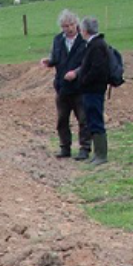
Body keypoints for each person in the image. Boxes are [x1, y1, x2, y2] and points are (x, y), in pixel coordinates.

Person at [41, 10, 91, 160]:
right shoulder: (58, 40)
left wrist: (76, 73)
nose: (68, 28)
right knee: (62, 120)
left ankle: (85, 148)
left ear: (76, 24)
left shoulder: (84, 41)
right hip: (62, 87)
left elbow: (88, 62)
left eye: (71, 25)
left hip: (80, 87)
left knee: (83, 119)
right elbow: (56, 58)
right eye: (64, 26)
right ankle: (65, 148)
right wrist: (49, 62)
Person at [64, 16, 110, 166]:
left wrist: (83, 80)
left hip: (94, 90)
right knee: (92, 119)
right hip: (91, 89)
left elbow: (97, 69)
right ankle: (98, 153)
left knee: (96, 120)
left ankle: (101, 154)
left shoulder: (96, 46)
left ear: (84, 30)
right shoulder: (94, 44)